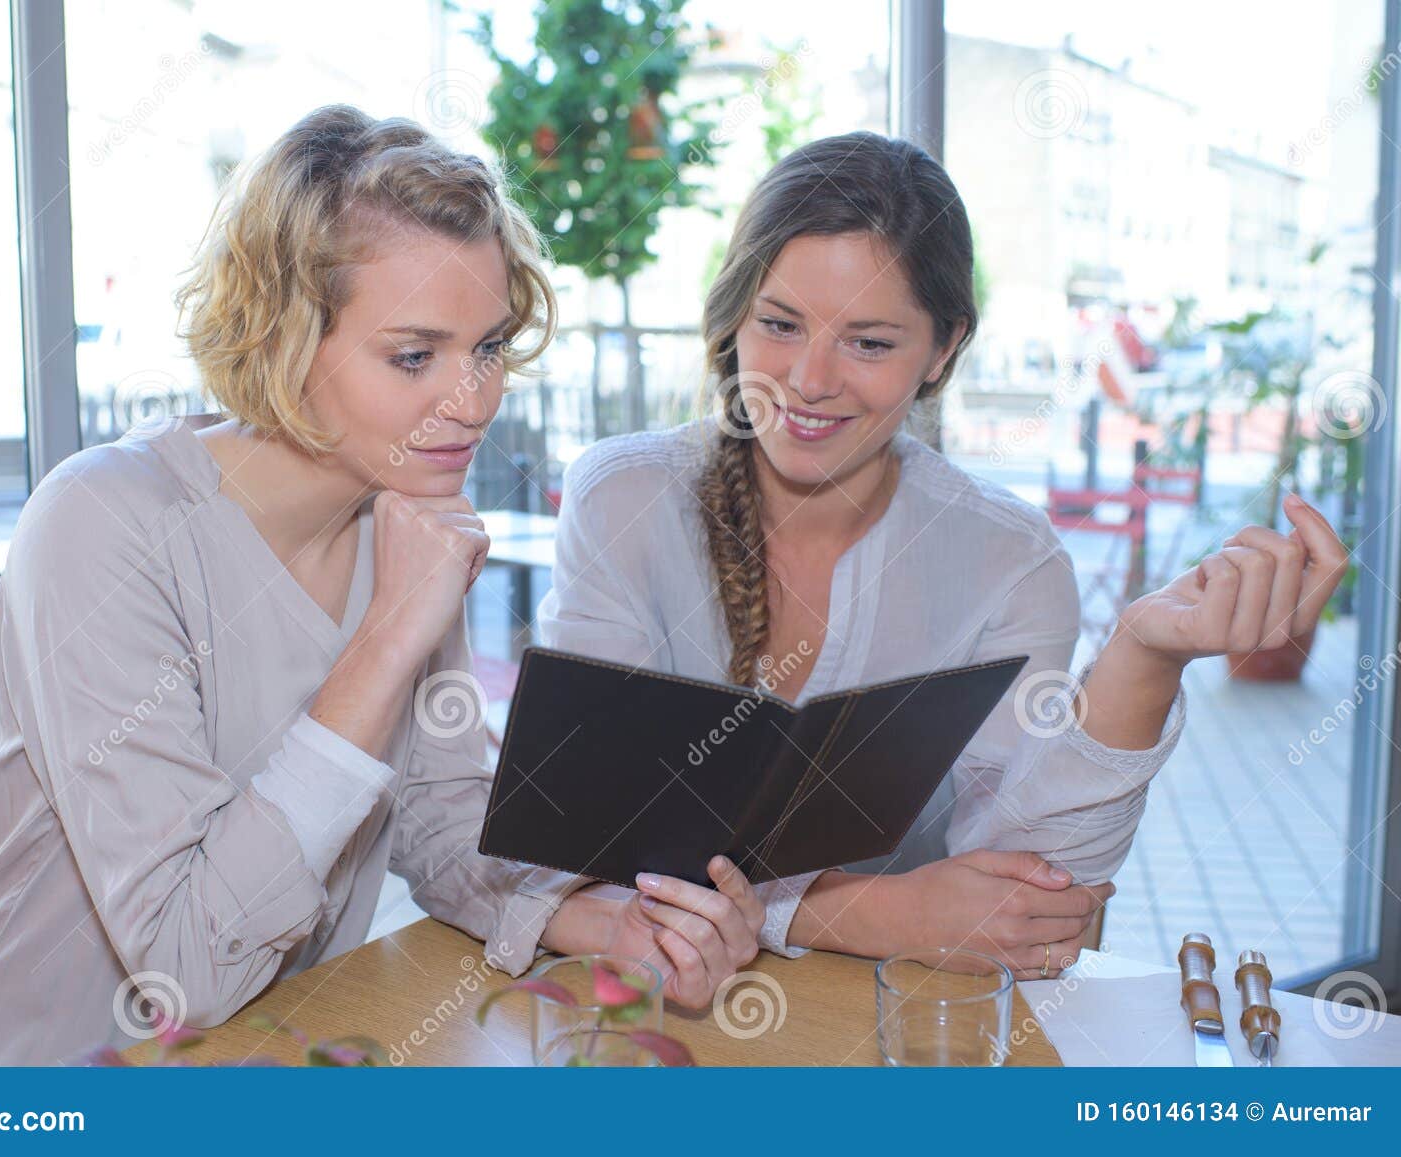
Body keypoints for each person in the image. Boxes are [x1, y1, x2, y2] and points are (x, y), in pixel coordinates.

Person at [0, 105, 764, 1066]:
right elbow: (187, 971)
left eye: (490, 347)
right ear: (283, 339)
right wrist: (386, 638)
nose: (475, 402)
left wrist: (608, 921)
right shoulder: (105, 526)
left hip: (261, 1054)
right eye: (415, 356)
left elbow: (436, 819)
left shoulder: (404, 513)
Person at [538, 131, 1350, 979]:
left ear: (944, 349)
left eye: (870, 342)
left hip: (886, 1025)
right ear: (733, 316)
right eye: (779, 324)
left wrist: (1143, 657)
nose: (809, 379)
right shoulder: (624, 497)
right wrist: (878, 910)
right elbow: (585, 844)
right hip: (641, 1008)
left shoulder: (1008, 557)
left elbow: (1029, 902)